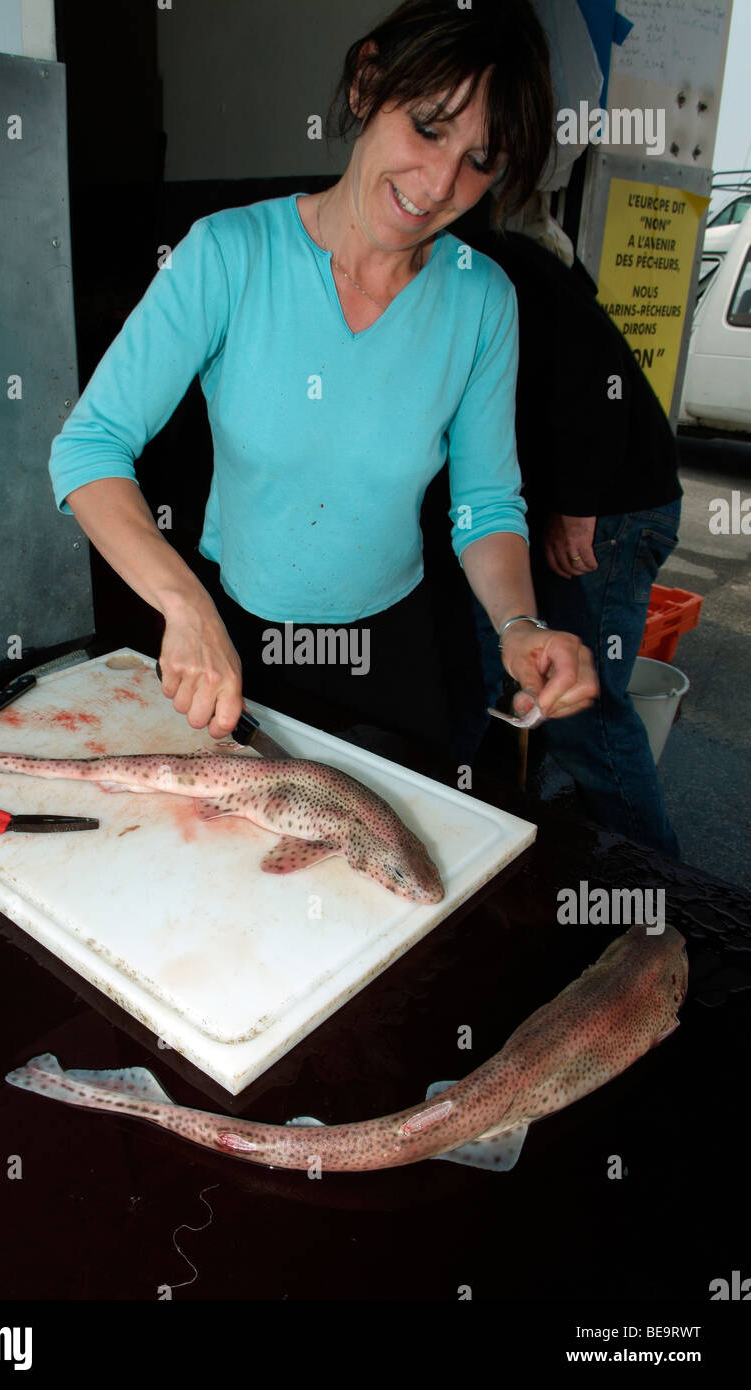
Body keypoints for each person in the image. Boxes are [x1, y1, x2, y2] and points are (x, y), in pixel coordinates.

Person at [47, 0, 598, 767]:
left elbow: (485, 507)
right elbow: (90, 447)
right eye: (429, 126)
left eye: (480, 161)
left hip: (392, 650)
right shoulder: (228, 253)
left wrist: (519, 626)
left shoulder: (482, 299)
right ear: (367, 84)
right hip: (230, 634)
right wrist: (184, 606)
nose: (439, 183)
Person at [460, 221, 682, 856]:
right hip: (579, 499)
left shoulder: (490, 266)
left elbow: (598, 371)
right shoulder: (489, 266)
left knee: (585, 712)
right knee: (532, 687)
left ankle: (660, 887)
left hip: (615, 510)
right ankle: (544, 846)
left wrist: (578, 506)